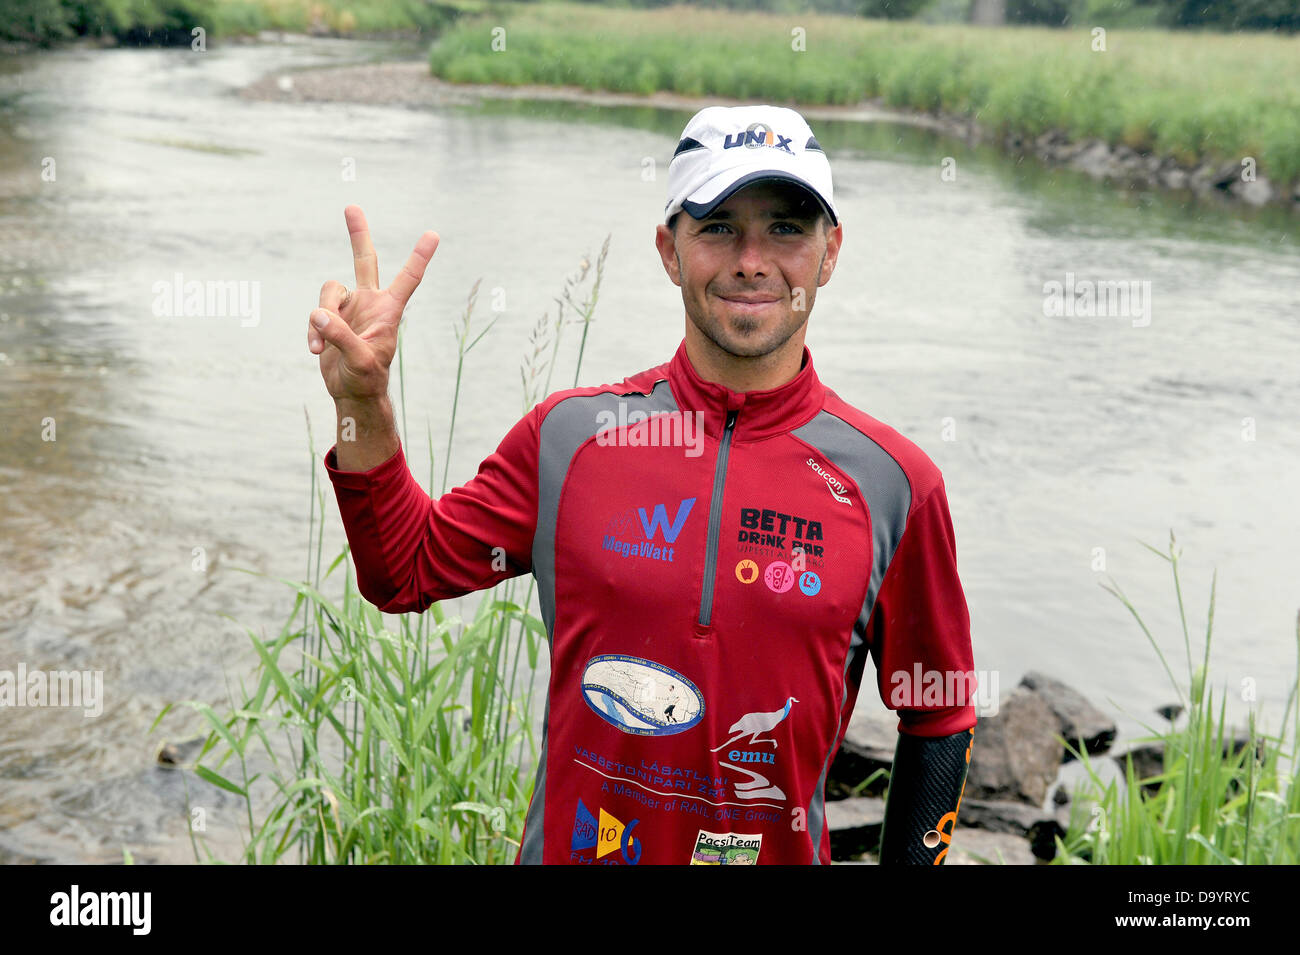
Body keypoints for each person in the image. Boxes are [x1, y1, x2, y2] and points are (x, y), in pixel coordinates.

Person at [306, 104, 977, 865]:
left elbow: (938, 714)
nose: (752, 259)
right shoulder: (570, 440)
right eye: (718, 226)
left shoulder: (893, 485)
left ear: (830, 252)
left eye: (786, 228)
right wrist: (362, 405)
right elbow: (403, 570)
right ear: (669, 248)